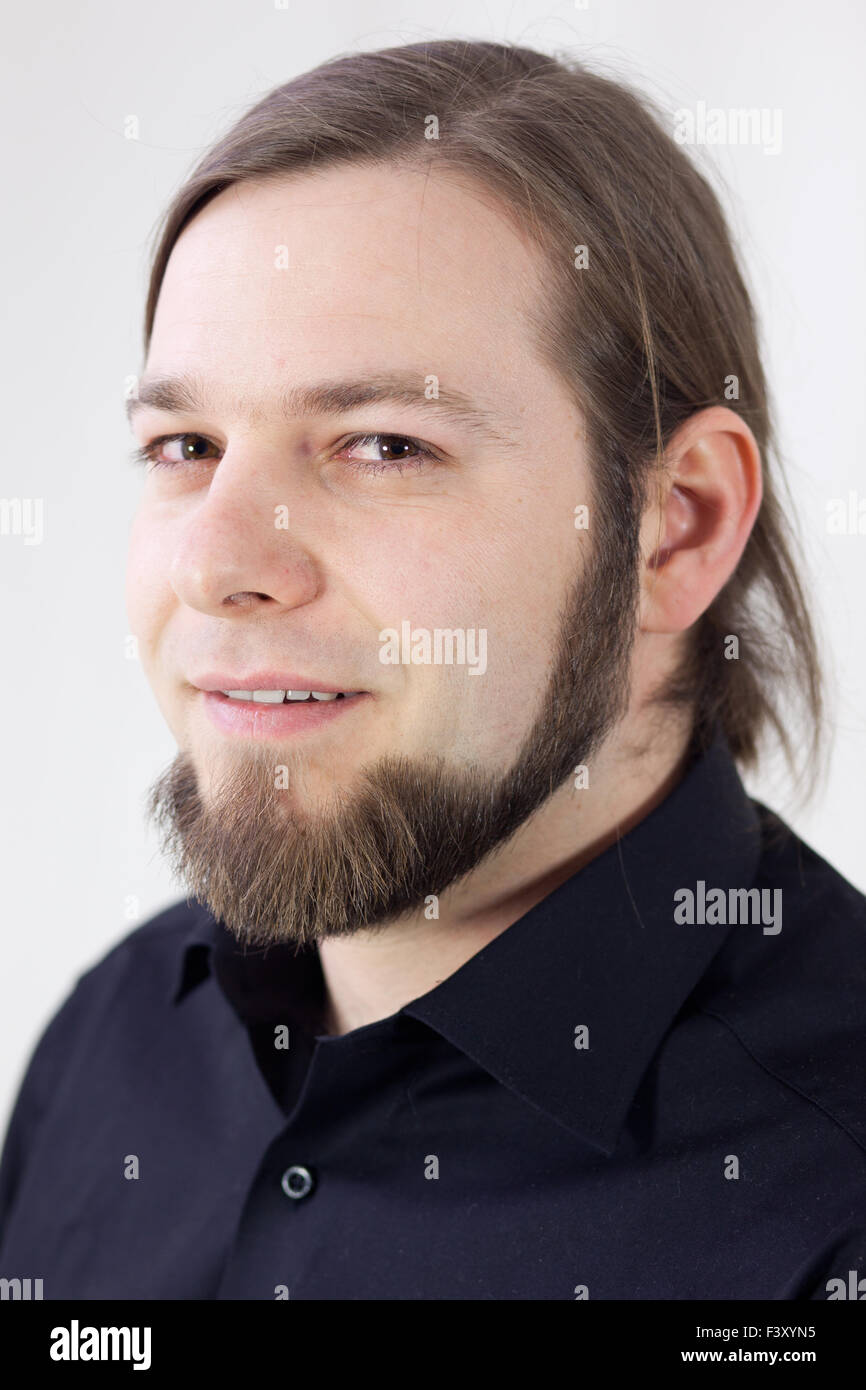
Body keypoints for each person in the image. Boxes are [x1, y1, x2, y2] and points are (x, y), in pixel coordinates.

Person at [1, 39, 863, 1301]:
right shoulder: (113, 1035)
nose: (216, 563)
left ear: (672, 523)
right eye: (184, 443)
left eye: (382, 445)